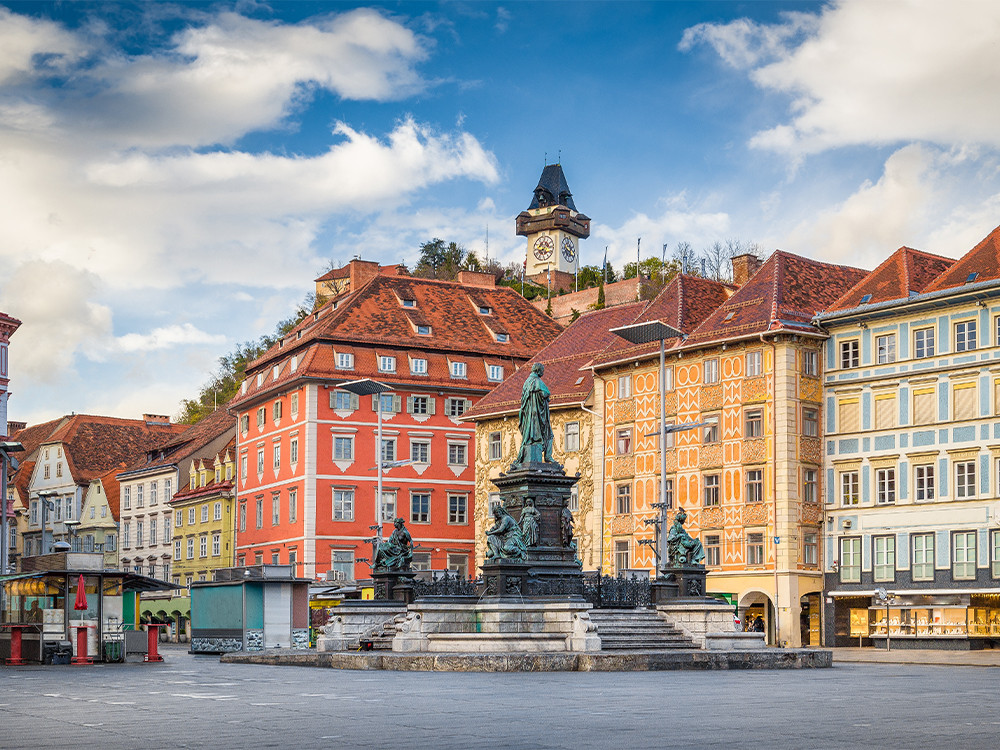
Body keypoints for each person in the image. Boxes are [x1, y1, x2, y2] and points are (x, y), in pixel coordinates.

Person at [515, 363, 554, 465]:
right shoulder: (536, 381)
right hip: (536, 416)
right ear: (538, 370)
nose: (543, 372)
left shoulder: (527, 382)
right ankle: (548, 456)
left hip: (529, 416)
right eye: (542, 370)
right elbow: (545, 393)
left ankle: (547, 456)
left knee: (533, 436)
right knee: (549, 434)